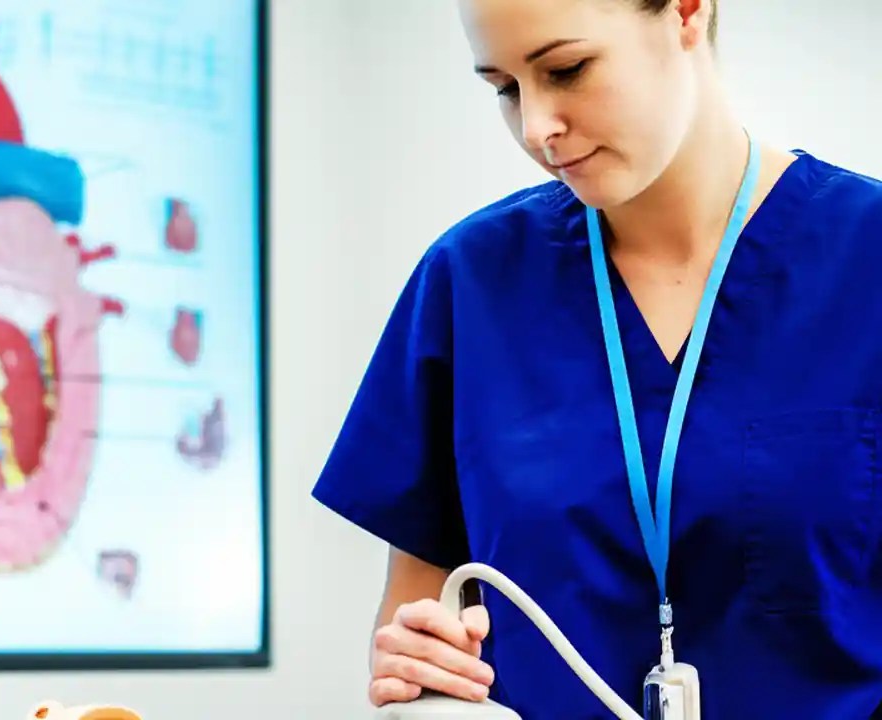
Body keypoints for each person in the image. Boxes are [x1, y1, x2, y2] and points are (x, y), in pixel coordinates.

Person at [310, 0, 882, 718]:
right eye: (505, 89)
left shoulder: (867, 263)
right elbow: (423, 618)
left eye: (566, 70)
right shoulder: (472, 282)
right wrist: (416, 665)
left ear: (685, 13)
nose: (537, 127)